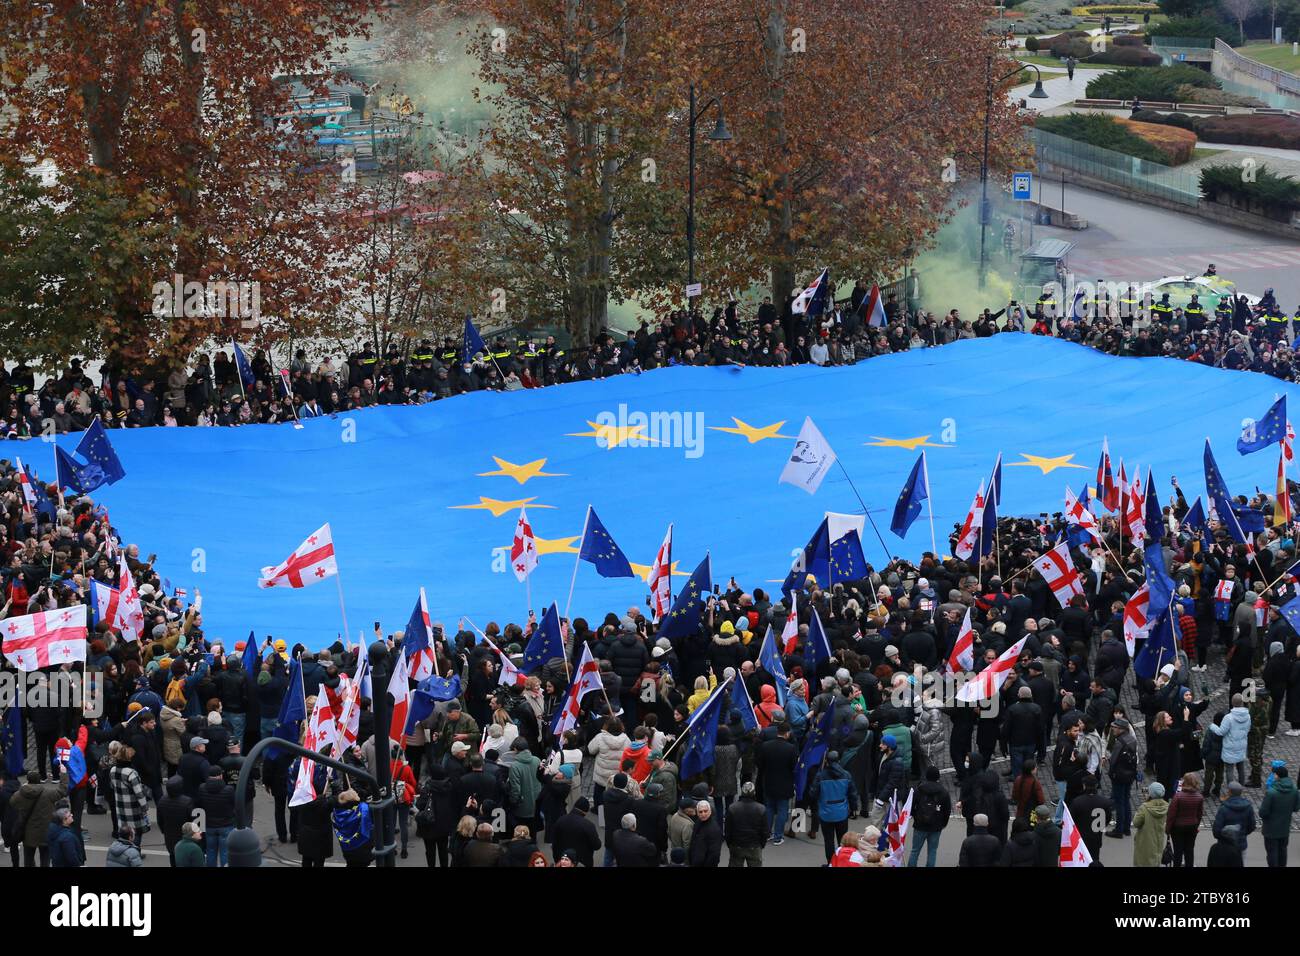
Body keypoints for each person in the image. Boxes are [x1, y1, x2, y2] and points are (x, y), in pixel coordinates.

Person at [808, 752, 858, 863]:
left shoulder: (820, 776)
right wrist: (853, 808)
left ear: (826, 761)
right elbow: (853, 794)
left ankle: (831, 863)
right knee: (842, 841)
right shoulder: (846, 775)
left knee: (828, 841)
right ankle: (842, 862)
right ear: (839, 761)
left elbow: (813, 794)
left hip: (826, 813)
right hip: (842, 813)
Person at [7, 771, 60, 867]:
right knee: (45, 858)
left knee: (28, 858)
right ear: (39, 781)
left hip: (28, 833)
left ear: (28, 780)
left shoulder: (22, 793)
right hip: (45, 832)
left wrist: (22, 788)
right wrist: (64, 774)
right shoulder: (48, 793)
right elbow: (63, 791)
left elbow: (12, 801)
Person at [756, 722, 797, 845]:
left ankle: (767, 833)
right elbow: (794, 767)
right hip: (785, 783)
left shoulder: (766, 746)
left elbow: (760, 764)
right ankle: (778, 836)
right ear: (787, 733)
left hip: (769, 781)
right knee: (782, 810)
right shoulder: (791, 748)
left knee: (769, 808)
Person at [908, 766, 951, 868]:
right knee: (932, 851)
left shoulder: (919, 789)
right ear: (938, 777)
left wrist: (916, 817)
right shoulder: (943, 792)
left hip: (920, 825)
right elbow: (947, 811)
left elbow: (911, 806)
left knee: (915, 850)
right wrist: (943, 824)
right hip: (936, 826)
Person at [1258, 764, 1299, 867]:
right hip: (1284, 828)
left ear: (1277, 775)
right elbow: (1296, 808)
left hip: (1271, 830)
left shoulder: (1271, 792)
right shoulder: (1294, 790)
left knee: (1272, 852)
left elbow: (1263, 812)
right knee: (1282, 851)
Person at [724, 781, 767, 867]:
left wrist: (730, 844)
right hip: (754, 845)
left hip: (737, 845)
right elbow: (765, 831)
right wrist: (761, 844)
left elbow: (728, 829)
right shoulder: (761, 808)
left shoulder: (732, 808)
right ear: (754, 792)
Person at [549, 796, 601, 868]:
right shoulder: (588, 825)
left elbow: (554, 842)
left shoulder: (560, 820)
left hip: (562, 861)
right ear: (585, 811)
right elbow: (597, 845)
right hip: (582, 862)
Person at [1166, 773, 1204, 868]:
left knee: (1178, 851)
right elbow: (1199, 814)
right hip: (1192, 826)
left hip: (1178, 827)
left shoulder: (1178, 797)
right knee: (1189, 850)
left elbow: (1171, 815)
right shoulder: (1199, 797)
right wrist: (1196, 826)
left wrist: (1168, 829)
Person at [1212, 781, 1256, 858]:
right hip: (1241, 844)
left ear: (1229, 792)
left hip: (1225, 846)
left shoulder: (1223, 808)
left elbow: (1216, 830)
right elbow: (1252, 826)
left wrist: (1222, 838)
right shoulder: (1248, 807)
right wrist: (1243, 833)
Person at [1132, 782, 1169, 867]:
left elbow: (1136, 823)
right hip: (1158, 841)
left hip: (1145, 842)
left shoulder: (1144, 808)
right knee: (1155, 861)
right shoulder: (1166, 807)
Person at [688, 800, 723, 867]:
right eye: (700, 812)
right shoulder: (698, 822)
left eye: (705, 811)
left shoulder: (714, 829)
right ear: (697, 813)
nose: (703, 814)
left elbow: (714, 855)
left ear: (710, 811)